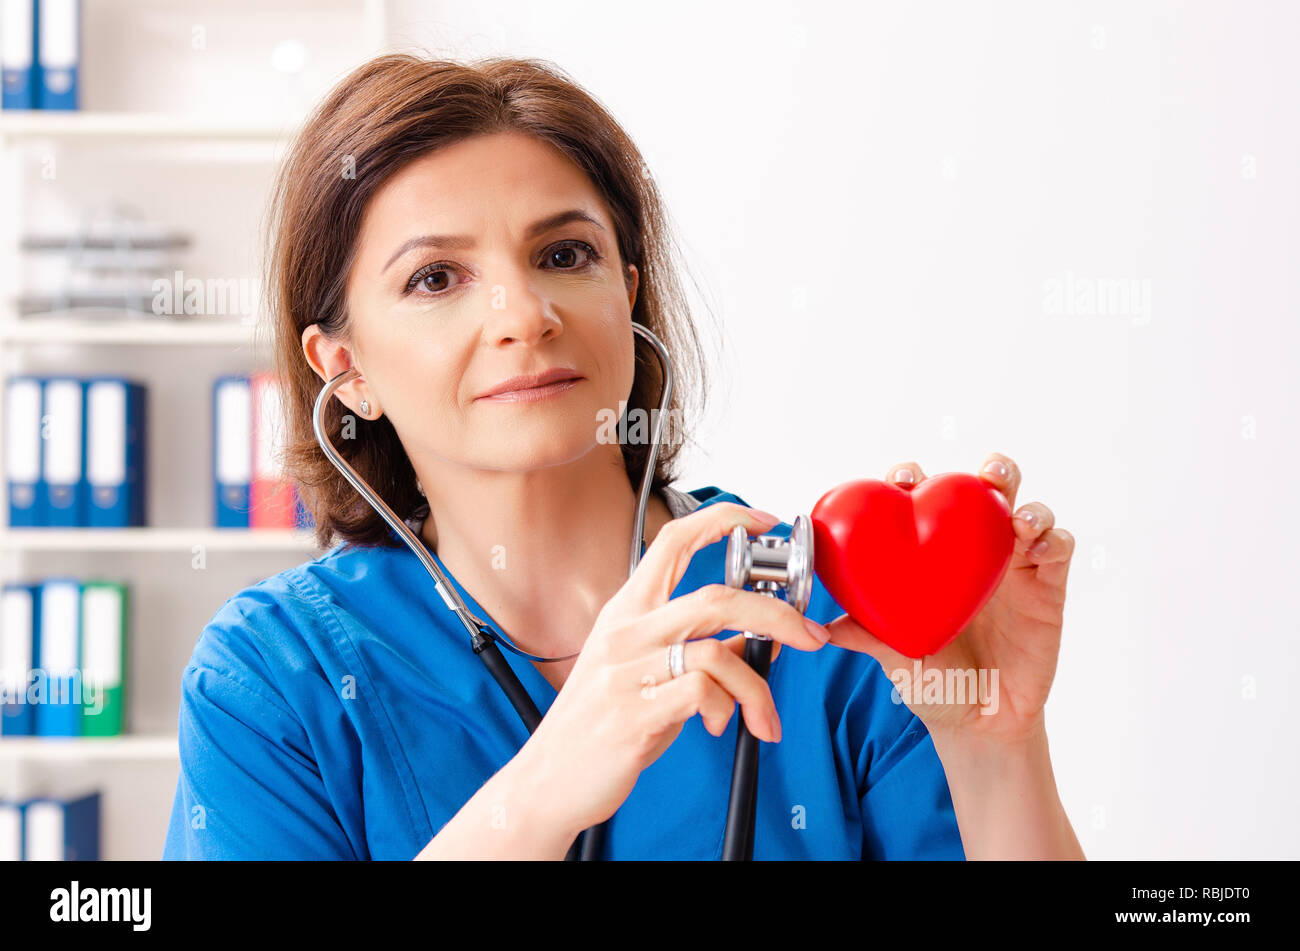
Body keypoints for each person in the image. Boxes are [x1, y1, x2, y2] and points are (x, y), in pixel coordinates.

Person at [163, 53, 1082, 860]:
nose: (524, 315)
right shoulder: (274, 678)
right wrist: (544, 790)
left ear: (628, 297)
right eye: (436, 278)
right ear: (347, 369)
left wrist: (995, 748)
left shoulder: (840, 619)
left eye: (565, 254)